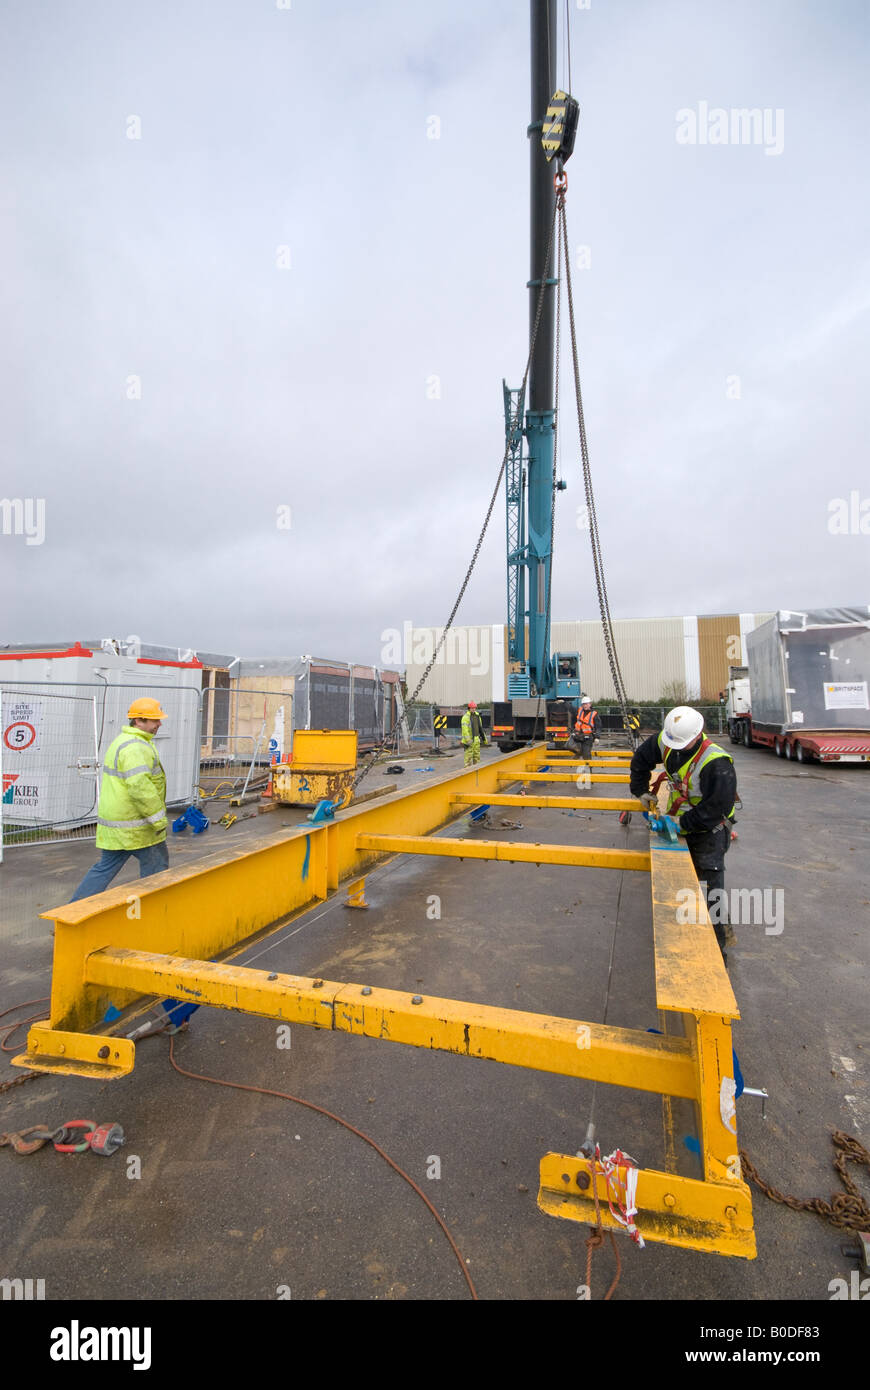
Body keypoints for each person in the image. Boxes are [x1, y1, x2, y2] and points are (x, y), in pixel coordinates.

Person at [629, 705, 738, 962]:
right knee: (678, 881)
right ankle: (683, 934)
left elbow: (717, 808)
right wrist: (640, 790)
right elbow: (640, 761)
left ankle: (717, 947)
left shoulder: (717, 763)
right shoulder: (666, 741)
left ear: (696, 736)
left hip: (711, 829)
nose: (675, 750)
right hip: (681, 822)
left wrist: (681, 823)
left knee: (709, 887)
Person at [70, 697, 169, 901]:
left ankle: (72, 911)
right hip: (138, 826)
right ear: (139, 721)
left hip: (119, 825)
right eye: (155, 720)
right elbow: (140, 788)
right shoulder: (136, 748)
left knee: (104, 868)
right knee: (157, 868)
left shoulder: (123, 741)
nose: (159, 724)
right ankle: (154, 907)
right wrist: (158, 820)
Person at [460, 700, 487, 767]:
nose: (473, 709)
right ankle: (467, 773)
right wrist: (468, 740)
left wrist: (484, 739)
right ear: (469, 708)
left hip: (476, 740)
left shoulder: (477, 716)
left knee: (477, 757)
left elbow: (480, 728)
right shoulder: (465, 717)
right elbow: (465, 730)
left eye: (474, 708)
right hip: (469, 741)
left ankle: (476, 773)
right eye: (472, 708)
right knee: (468, 759)